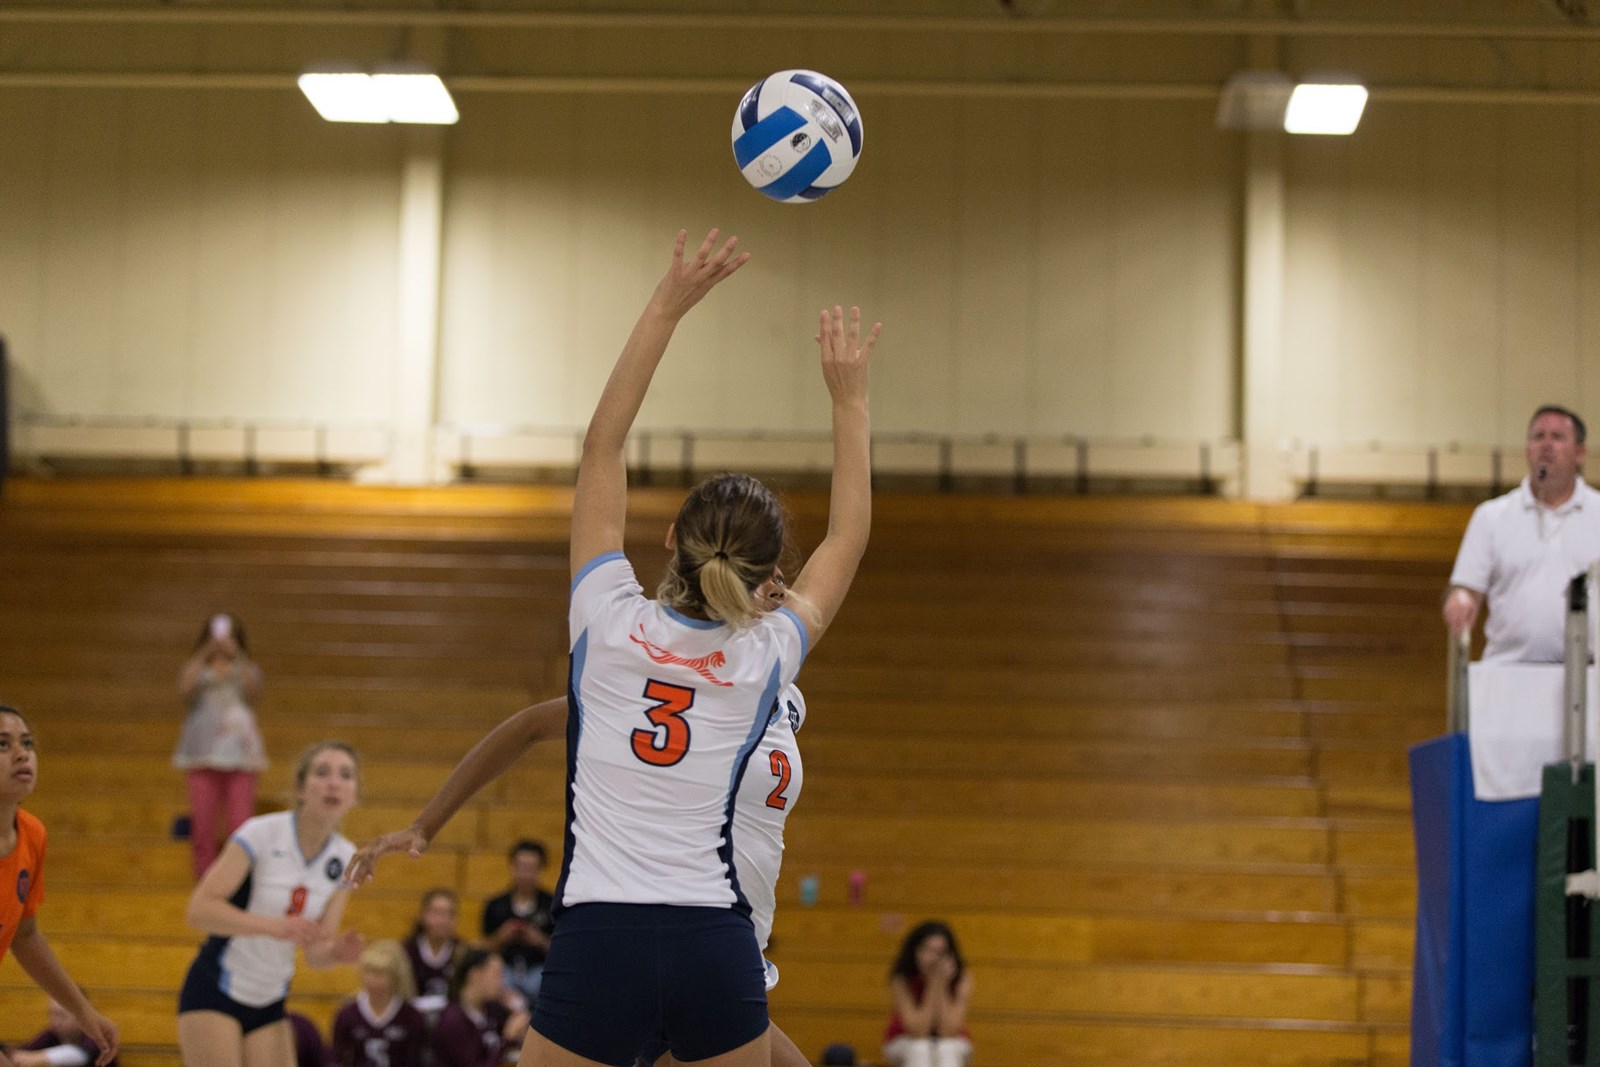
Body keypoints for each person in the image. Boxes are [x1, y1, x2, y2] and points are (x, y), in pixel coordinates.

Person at [350, 226, 878, 1067]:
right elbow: (849, 534)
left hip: (601, 934)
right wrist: (847, 399)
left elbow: (603, 443)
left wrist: (668, 303)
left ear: (670, 536)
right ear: (766, 571)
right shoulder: (767, 655)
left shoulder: (606, 620)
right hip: (716, 941)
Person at [177, 741, 366, 1067]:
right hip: (215, 990)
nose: (334, 782)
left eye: (345, 775)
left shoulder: (347, 857)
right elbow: (200, 911)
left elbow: (316, 952)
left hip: (270, 1001)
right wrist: (277, 927)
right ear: (300, 788)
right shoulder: (260, 834)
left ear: (355, 795)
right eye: (322, 772)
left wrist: (336, 953)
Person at [0, 705, 120, 1067]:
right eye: (3, 744)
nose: (23, 753)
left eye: (28, 743)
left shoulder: (32, 835)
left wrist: (82, 1011)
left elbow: (24, 934)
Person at [1445, 405, 1600, 661]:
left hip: (1591, 676)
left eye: (1557, 437)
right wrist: (1460, 599)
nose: (1546, 445)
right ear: (1527, 450)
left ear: (1580, 453)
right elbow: (1466, 587)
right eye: (1538, 437)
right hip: (1510, 672)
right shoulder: (1492, 516)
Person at [174, 612, 269, 880]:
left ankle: (238, 883)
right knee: (203, 827)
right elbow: (184, 690)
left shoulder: (246, 668)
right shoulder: (196, 669)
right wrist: (205, 654)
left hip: (241, 757)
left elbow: (254, 693)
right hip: (202, 756)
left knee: (240, 825)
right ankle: (204, 881)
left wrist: (237, 656)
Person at [882, 922, 974, 1067]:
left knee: (947, 1048)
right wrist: (932, 985)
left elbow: (949, 1031)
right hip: (905, 1039)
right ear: (915, 951)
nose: (933, 958)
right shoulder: (902, 978)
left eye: (941, 952)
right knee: (920, 1049)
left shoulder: (962, 978)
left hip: (951, 1041)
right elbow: (918, 1031)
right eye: (928, 950)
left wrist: (941, 984)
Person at [331, 940, 428, 1067]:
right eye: (369, 972)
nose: (373, 980)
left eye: (380, 973)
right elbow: (337, 1058)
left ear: (395, 976)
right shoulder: (347, 1014)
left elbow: (416, 1060)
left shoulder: (411, 1016)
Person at [480, 842, 554, 1006]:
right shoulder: (495, 905)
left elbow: (562, 952)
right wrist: (501, 937)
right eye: (521, 867)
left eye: (532, 868)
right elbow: (483, 949)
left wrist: (539, 941)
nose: (526, 874)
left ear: (541, 870)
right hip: (505, 970)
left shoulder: (552, 906)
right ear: (512, 867)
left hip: (539, 971)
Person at [432, 948, 530, 1067]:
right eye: (496, 974)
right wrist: (507, 1040)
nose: (501, 982)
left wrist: (517, 1011)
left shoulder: (493, 1010)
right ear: (475, 974)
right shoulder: (452, 1021)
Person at [2, 993, 119, 1067]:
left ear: (81, 1015)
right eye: (52, 1014)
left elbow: (83, 1054)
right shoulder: (52, 1035)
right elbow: (24, 1052)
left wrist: (38, 1058)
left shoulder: (96, 1035)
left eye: (61, 1015)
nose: (56, 1021)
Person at [406, 887, 463, 1012]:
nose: (442, 920)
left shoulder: (463, 952)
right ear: (423, 915)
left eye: (449, 914)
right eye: (436, 912)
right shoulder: (406, 952)